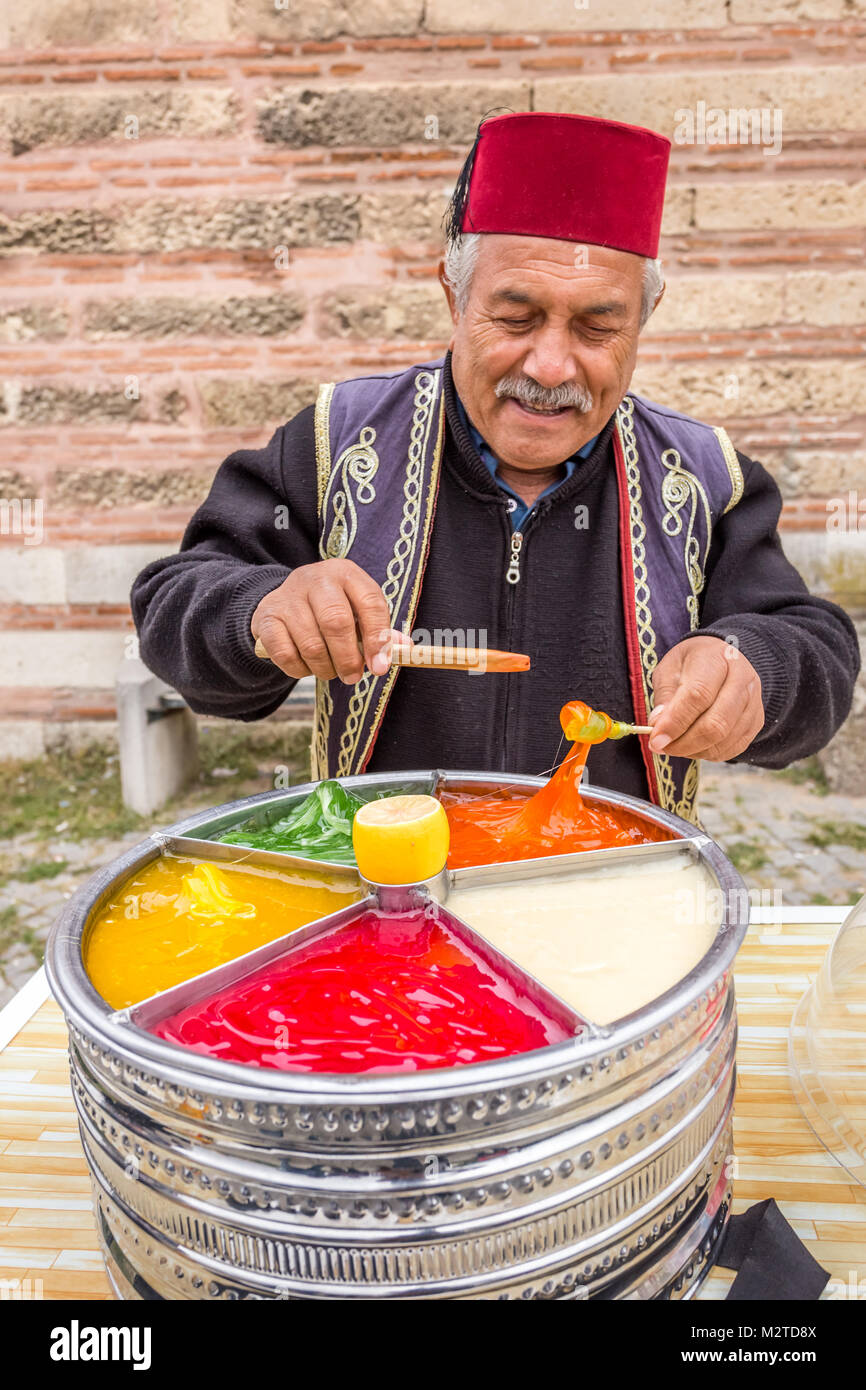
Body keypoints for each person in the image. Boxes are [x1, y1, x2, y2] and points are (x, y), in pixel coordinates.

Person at [131, 111, 859, 824]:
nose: (549, 365)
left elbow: (816, 649)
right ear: (453, 296)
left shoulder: (703, 478)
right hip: (395, 890)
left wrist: (752, 666)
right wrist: (262, 612)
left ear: (645, 318)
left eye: (598, 327)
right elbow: (176, 602)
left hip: (615, 894)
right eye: (515, 319)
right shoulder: (337, 440)